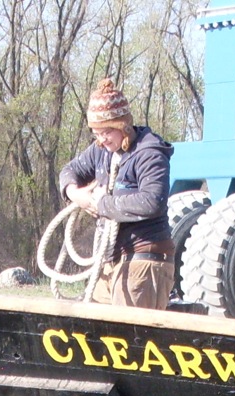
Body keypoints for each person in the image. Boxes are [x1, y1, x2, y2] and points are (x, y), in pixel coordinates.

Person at [57, 79, 174, 311]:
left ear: (123, 125)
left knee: (133, 340)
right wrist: (75, 193)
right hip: (110, 261)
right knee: (98, 336)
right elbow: (70, 171)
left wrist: (103, 204)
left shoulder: (149, 153)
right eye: (96, 133)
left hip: (144, 260)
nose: (102, 140)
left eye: (107, 132)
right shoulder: (101, 151)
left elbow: (152, 201)